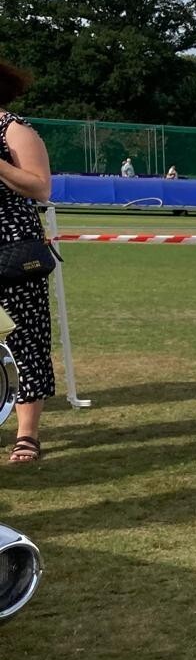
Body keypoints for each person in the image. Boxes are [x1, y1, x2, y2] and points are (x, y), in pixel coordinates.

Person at [0, 60, 56, 464]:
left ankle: (27, 434)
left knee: (23, 339)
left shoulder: (14, 129)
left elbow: (40, 187)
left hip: (12, 249)